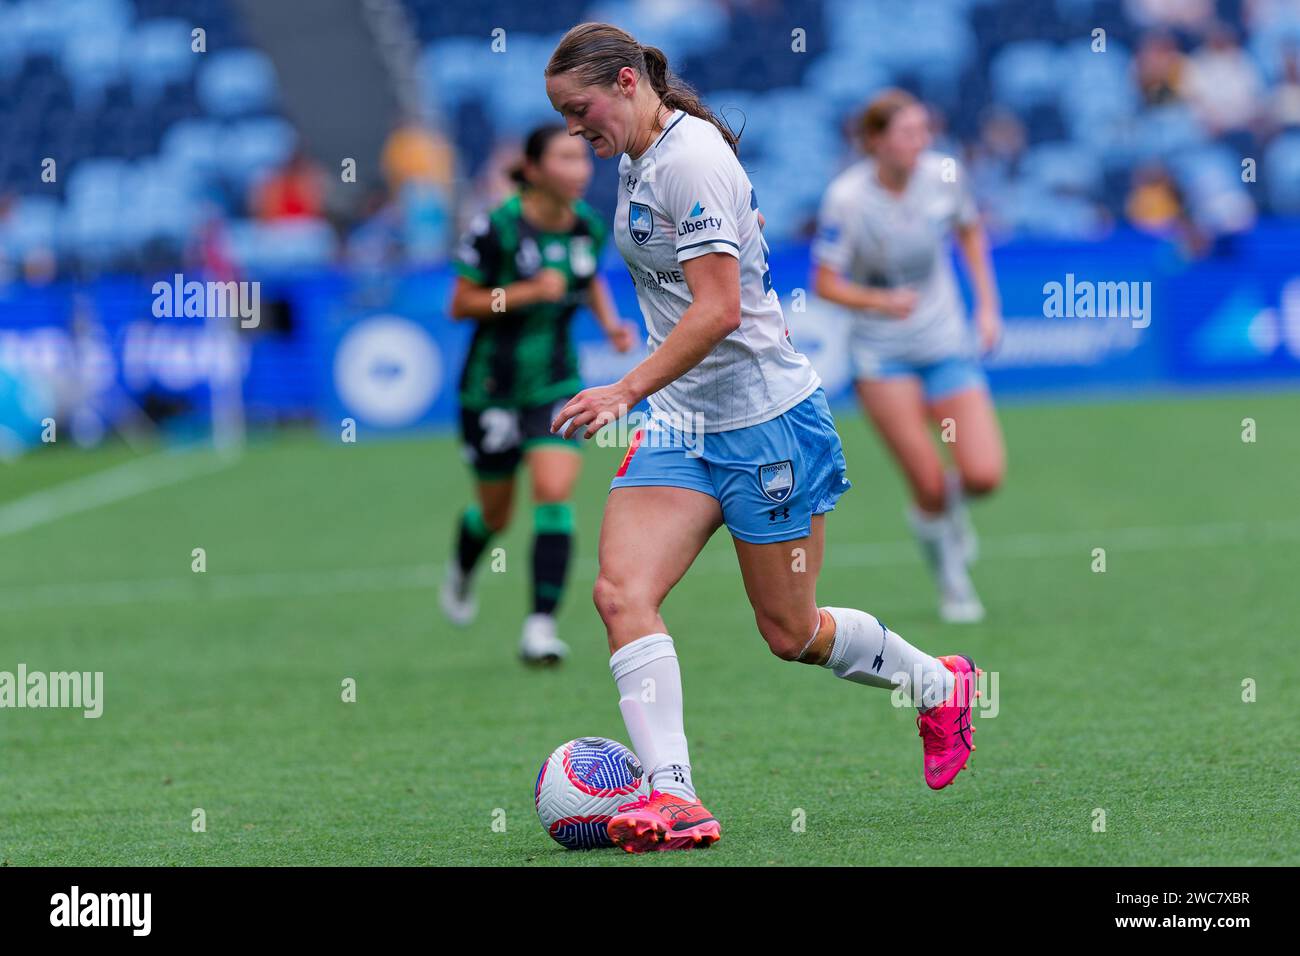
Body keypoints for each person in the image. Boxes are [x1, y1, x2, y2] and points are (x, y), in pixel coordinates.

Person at [544, 23, 980, 853]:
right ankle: (676, 795)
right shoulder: (646, 155)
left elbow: (719, 309)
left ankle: (936, 683)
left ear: (628, 83)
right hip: (682, 423)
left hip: (765, 422)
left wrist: (624, 388)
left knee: (790, 632)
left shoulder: (690, 157)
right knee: (619, 593)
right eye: (565, 116)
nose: (575, 129)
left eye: (580, 108)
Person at [441, 124, 635, 664]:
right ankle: (462, 568)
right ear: (533, 170)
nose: (580, 169)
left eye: (582, 158)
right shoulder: (496, 227)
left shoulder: (588, 227)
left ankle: (540, 627)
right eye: (565, 158)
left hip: (555, 382)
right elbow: (460, 303)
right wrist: (523, 293)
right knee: (496, 515)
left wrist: (611, 322)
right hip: (491, 388)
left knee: (553, 492)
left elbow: (588, 275)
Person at [812, 89, 1006, 623]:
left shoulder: (945, 175)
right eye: (905, 132)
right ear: (874, 141)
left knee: (984, 474)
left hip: (944, 342)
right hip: (881, 354)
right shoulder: (846, 199)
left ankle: (950, 510)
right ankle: (952, 584)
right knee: (925, 481)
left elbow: (970, 232)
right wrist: (880, 300)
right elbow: (824, 283)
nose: (919, 142)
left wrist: (987, 307)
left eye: (924, 130)